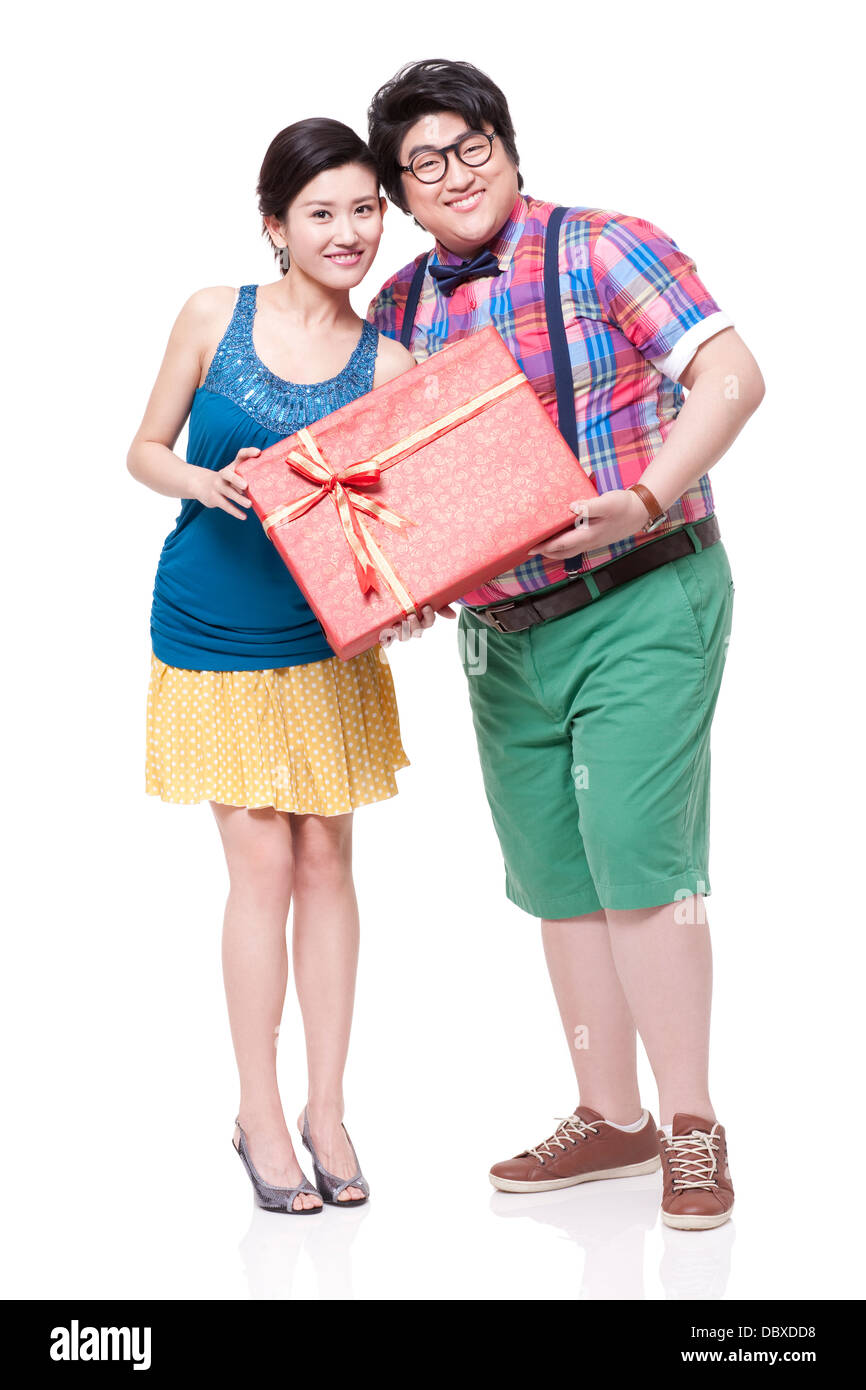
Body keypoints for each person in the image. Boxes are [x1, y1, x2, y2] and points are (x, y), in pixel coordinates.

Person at [366, 59, 765, 1229]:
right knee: (556, 879)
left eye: (468, 142)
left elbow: (733, 379)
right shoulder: (396, 310)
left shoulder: (601, 247)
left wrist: (642, 496)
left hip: (644, 592)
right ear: (398, 189)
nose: (452, 172)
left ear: (507, 142)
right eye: (422, 161)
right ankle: (612, 1114)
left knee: (641, 860)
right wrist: (410, 579)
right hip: (503, 638)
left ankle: (690, 1124)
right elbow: (397, 489)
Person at [128, 118, 417, 1213]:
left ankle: (326, 1106)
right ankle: (257, 1111)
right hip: (211, 624)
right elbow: (142, 449)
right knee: (257, 869)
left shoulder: (391, 361)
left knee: (325, 866)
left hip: (326, 639)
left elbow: (396, 522)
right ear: (274, 225)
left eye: (362, 210)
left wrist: (400, 598)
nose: (347, 233)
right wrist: (210, 482)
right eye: (321, 213)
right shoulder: (214, 316)